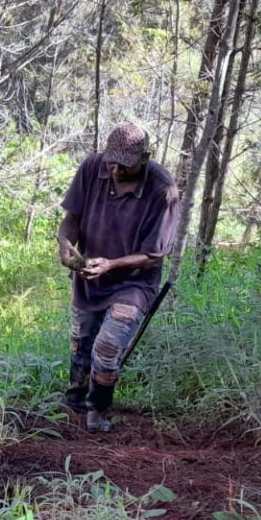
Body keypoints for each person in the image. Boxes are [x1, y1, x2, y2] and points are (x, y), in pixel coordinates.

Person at [57, 123, 179, 433]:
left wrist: (111, 264)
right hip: (90, 276)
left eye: (124, 165)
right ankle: (74, 406)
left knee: (108, 346)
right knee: (81, 343)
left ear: (144, 158)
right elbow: (71, 220)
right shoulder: (91, 169)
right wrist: (66, 246)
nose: (116, 170)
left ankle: (98, 411)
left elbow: (155, 254)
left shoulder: (162, 190)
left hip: (134, 283)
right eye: (112, 162)